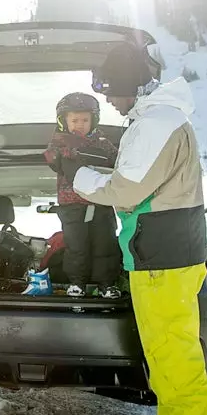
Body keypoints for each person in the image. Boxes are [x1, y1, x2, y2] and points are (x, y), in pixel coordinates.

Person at [67, 40, 207, 415]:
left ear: (128, 84)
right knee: (164, 365)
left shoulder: (157, 122)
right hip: (158, 258)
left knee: (179, 368)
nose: (108, 101)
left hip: (165, 261)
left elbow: (126, 189)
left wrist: (80, 178)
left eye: (110, 91)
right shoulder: (156, 119)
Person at [43, 92, 122, 297]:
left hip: (100, 201)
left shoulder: (101, 140)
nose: (80, 124)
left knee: (105, 244)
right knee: (76, 246)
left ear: (93, 120)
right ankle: (76, 283)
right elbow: (52, 159)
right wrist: (69, 151)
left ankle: (107, 284)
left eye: (85, 120)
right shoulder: (60, 141)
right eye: (75, 120)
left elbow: (116, 159)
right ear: (64, 121)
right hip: (72, 205)